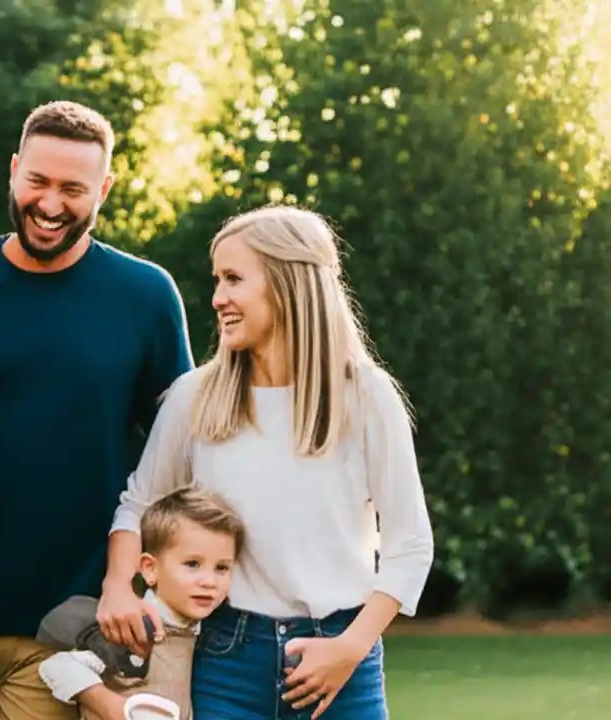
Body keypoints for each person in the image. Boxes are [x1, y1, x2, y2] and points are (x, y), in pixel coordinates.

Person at [0, 100, 194, 720]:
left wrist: (136, 579)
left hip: (66, 629)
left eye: (73, 188)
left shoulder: (145, 295)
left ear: (104, 189)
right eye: (37, 181)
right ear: (13, 171)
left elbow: (181, 457)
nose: (51, 204)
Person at [101, 206, 435, 720]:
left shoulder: (366, 396)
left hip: (342, 659)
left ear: (288, 283)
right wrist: (118, 587)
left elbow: (409, 544)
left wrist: (350, 649)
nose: (217, 298)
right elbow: (138, 507)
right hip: (225, 659)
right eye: (217, 280)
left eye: (233, 279)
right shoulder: (193, 398)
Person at [36, 487, 243, 720]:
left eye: (222, 568)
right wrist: (116, 709)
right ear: (150, 569)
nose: (209, 581)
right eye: (192, 564)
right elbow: (58, 667)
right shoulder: (135, 627)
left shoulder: (201, 629)